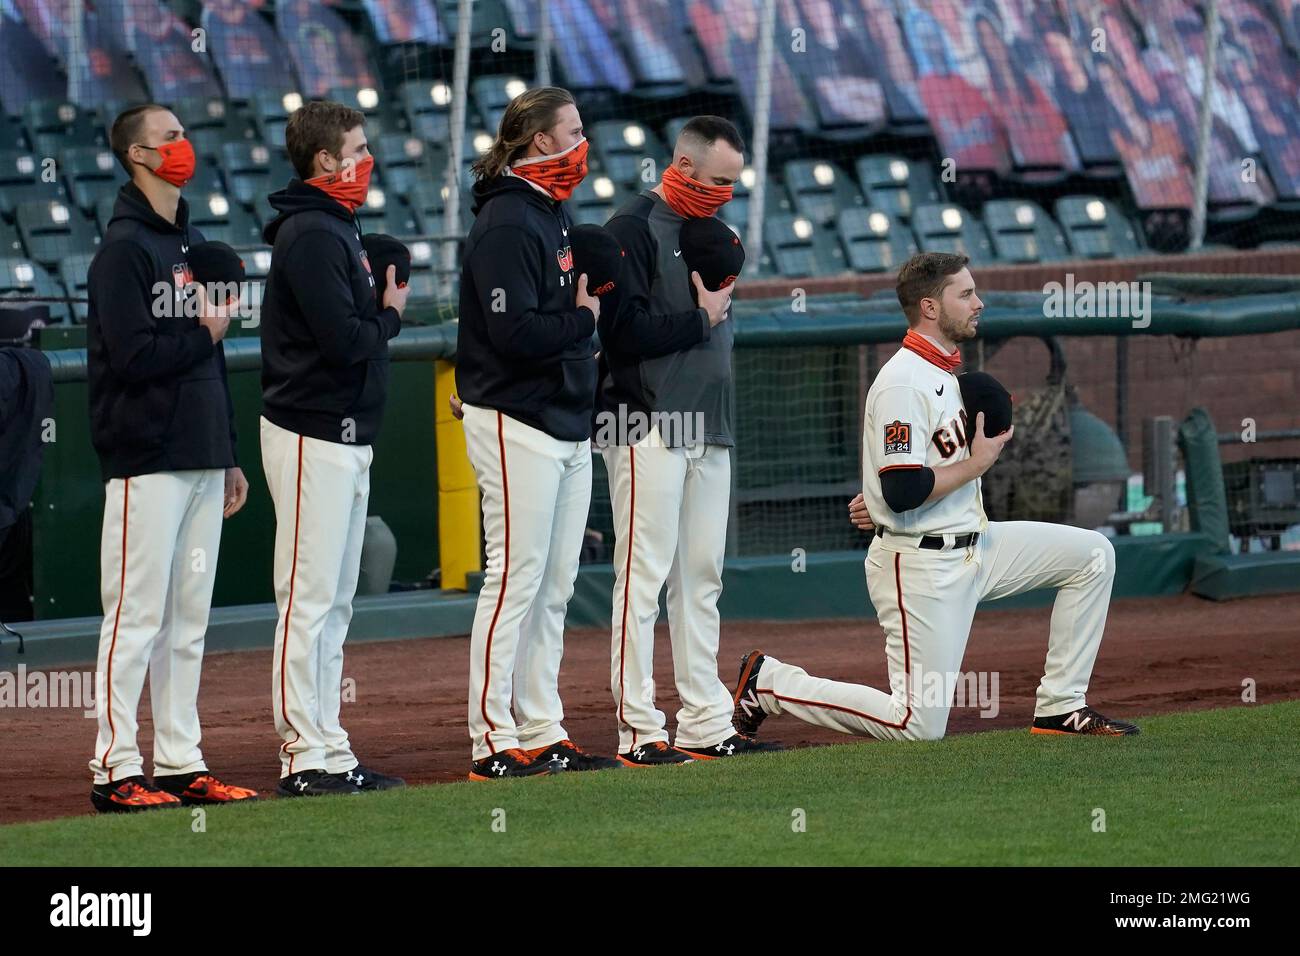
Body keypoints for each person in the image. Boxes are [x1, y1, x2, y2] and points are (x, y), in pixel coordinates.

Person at [732, 252, 1139, 743]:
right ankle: (770, 684)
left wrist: (881, 497)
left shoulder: (946, 374)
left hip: (978, 547)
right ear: (929, 306)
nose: (979, 303)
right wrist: (976, 464)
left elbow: (902, 474)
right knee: (917, 726)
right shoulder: (903, 381)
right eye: (965, 294)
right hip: (923, 566)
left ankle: (1060, 707)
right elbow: (903, 490)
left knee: (1093, 556)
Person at [86, 104, 258, 812]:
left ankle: (181, 761)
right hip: (146, 456)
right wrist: (208, 333)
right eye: (170, 138)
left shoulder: (187, 246)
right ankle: (115, 768)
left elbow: (203, 366)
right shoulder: (125, 249)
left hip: (197, 454)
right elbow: (131, 358)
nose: (183, 147)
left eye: (185, 134)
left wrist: (228, 453)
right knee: (133, 617)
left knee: (188, 618)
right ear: (137, 156)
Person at [596, 115, 778, 765]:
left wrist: (707, 320)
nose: (725, 191)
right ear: (683, 164)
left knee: (701, 577)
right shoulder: (631, 228)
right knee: (641, 577)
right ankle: (638, 727)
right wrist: (700, 318)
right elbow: (620, 334)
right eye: (718, 179)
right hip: (646, 422)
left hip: (710, 424)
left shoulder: (711, 233)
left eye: (734, 182)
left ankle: (705, 720)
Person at [455, 86, 619, 780]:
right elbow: (513, 332)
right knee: (514, 579)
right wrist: (583, 321)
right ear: (541, 141)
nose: (584, 143)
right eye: (574, 130)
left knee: (554, 583)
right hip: (515, 417)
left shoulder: (550, 213)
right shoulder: (507, 222)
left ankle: (542, 726)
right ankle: (492, 737)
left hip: (563, 419)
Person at [259, 100, 408, 796]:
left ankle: (328, 742)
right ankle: (303, 751)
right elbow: (345, 341)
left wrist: (375, 317)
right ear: (326, 159)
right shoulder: (314, 232)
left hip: (343, 432)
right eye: (357, 147)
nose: (366, 157)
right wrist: (390, 315)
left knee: (334, 599)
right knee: (308, 598)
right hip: (311, 429)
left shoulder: (334, 226)